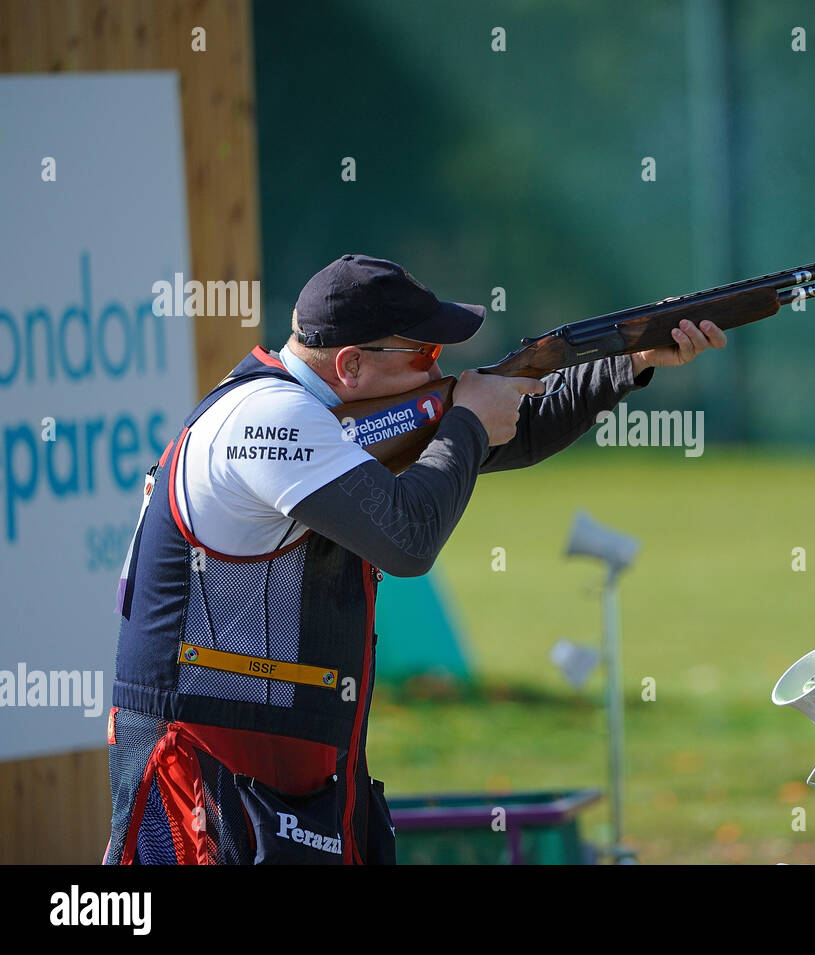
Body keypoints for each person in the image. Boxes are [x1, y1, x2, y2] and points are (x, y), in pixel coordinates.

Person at [104, 254, 725, 864]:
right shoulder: (268, 419)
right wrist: (466, 423)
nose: (439, 369)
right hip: (202, 777)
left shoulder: (314, 414)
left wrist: (631, 360)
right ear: (349, 365)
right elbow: (406, 540)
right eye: (422, 356)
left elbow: (519, 426)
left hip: (277, 771)